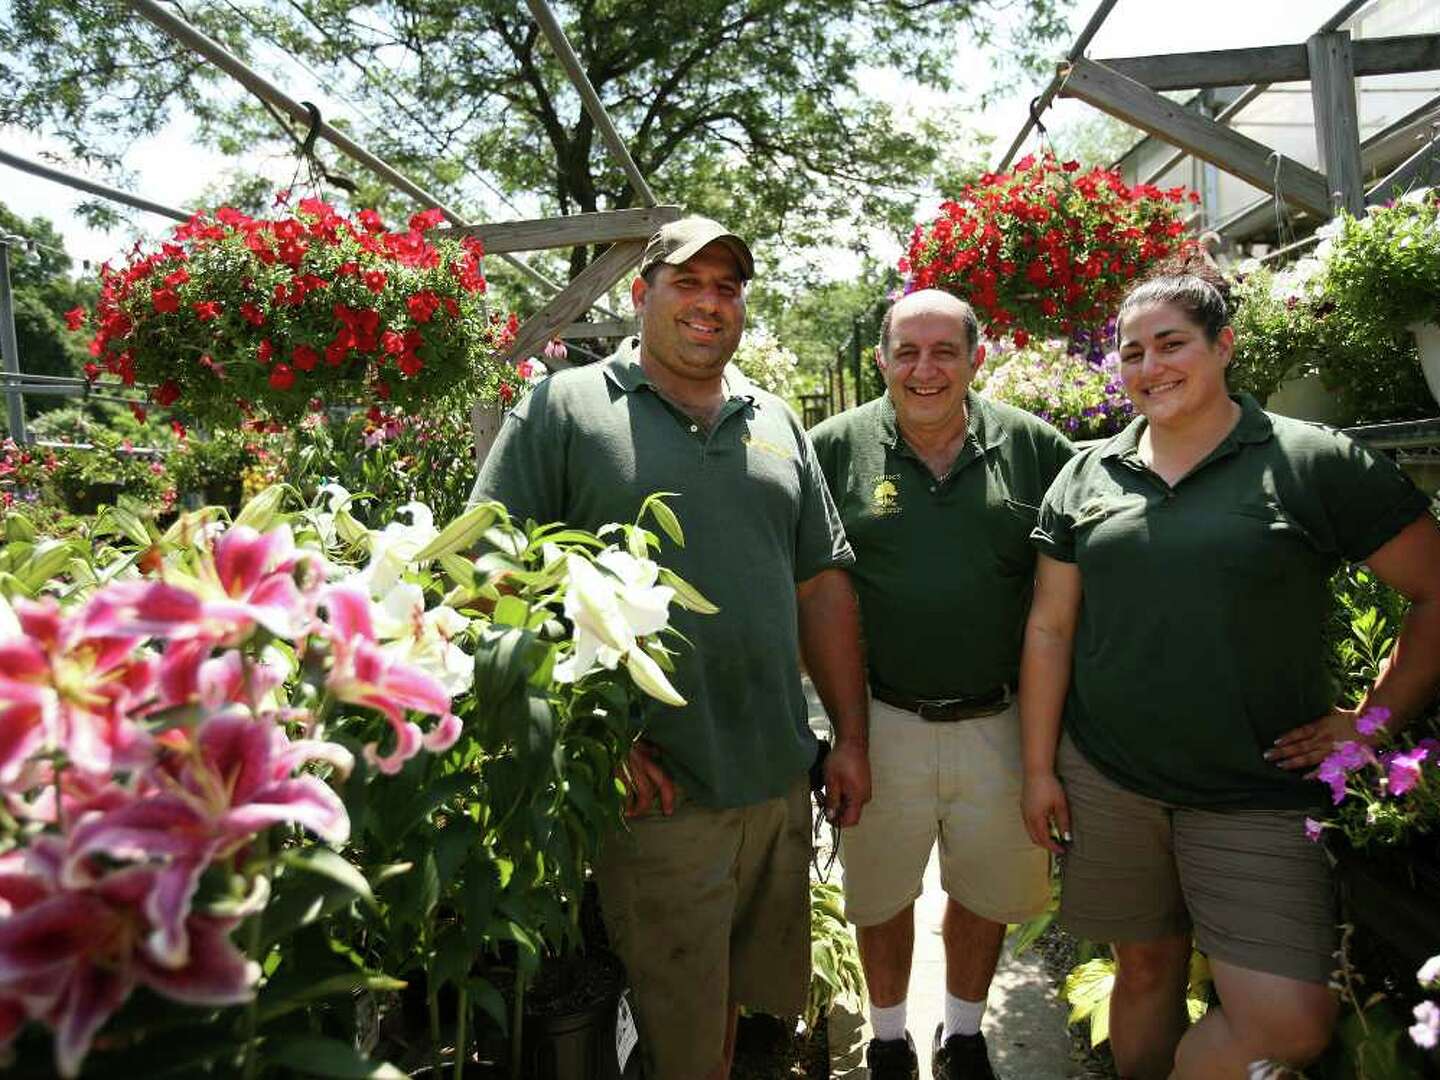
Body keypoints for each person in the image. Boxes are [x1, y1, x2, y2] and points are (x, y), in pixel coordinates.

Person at [468, 216, 872, 1080]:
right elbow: (492, 571)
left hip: (772, 776)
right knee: (676, 1021)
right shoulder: (565, 406)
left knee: (730, 1006)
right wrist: (592, 738)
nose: (709, 303)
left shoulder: (775, 420)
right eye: (687, 283)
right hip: (655, 785)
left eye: (727, 287)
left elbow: (821, 583)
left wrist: (852, 737)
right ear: (639, 294)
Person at [1020, 255, 1440, 1079]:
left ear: (1224, 346)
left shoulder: (1310, 461)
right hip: (1111, 779)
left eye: (1169, 344)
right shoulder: (1087, 472)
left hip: (1259, 791)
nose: (1148, 368)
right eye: (1130, 352)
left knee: (1288, 1024)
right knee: (1143, 972)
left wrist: (1370, 723)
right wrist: (1039, 767)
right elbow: (1049, 628)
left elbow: (1434, 590)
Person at [810, 289, 1074, 1079]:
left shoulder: (1037, 448)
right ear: (882, 358)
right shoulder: (831, 449)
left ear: (975, 357)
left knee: (987, 887)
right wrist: (839, 734)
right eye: (907, 352)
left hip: (1001, 719)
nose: (925, 369)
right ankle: (888, 1039)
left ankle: (963, 1034)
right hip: (878, 717)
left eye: (945, 351)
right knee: (883, 891)